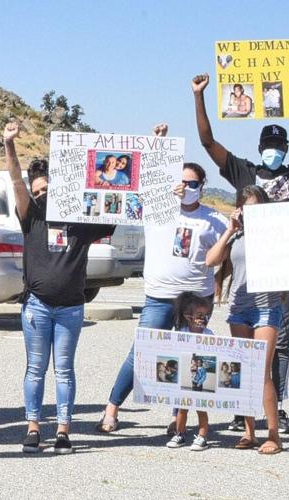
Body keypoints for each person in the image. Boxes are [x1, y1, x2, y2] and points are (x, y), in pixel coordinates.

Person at [193, 73, 289, 434]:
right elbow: (207, 141)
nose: (274, 151)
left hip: (286, 269)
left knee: (279, 340)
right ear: (261, 145)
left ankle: (276, 407)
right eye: (270, 144)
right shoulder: (244, 171)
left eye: (280, 146)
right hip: (248, 266)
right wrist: (199, 97)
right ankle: (243, 408)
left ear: (287, 149)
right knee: (243, 340)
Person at [3, 122, 115, 454]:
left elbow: (117, 200)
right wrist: (9, 145)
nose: (42, 195)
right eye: (37, 191)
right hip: (36, 306)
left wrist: (153, 151)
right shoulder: (31, 216)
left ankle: (63, 430)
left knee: (64, 370)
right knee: (35, 368)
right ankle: (34, 427)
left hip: (70, 308)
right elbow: (15, 182)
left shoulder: (81, 220)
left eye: (47, 189)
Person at [99, 159, 227, 433]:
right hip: (159, 296)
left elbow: (227, 253)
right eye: (182, 182)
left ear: (202, 187)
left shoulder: (214, 219)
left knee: (190, 357)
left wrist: (220, 283)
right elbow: (135, 186)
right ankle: (112, 407)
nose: (186, 188)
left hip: (196, 299)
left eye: (193, 183)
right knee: (140, 354)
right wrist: (158, 147)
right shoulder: (156, 210)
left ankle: (177, 417)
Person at [206, 186, 285, 455]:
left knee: (261, 373)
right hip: (239, 309)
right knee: (243, 374)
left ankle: (273, 434)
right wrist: (230, 228)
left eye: (257, 207)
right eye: (247, 207)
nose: (252, 212)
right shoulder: (235, 236)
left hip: (267, 308)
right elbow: (211, 260)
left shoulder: (275, 235)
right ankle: (249, 432)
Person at [165, 292, 217, 451]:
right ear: (188, 316)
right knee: (182, 408)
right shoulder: (182, 333)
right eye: (200, 315)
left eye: (206, 315)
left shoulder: (209, 335)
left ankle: (202, 436)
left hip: (201, 379)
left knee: (201, 408)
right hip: (185, 379)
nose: (203, 318)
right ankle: (179, 434)